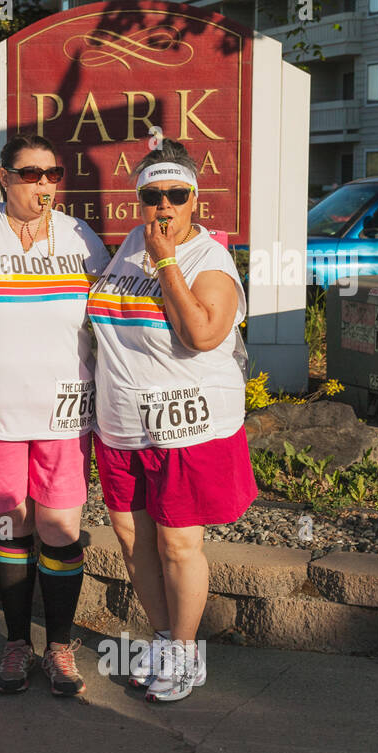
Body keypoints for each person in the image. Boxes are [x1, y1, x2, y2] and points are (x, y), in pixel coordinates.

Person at [88, 138, 256, 702]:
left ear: (194, 199)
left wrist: (166, 265)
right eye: (152, 195)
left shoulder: (208, 260)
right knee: (133, 540)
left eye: (175, 195)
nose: (163, 206)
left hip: (187, 426)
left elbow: (202, 334)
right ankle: (163, 640)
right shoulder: (129, 244)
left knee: (179, 544)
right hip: (123, 424)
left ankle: (186, 654)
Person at [0, 134, 110, 697]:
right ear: (3, 176)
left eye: (52, 174)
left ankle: (60, 646)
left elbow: (114, 307)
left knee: (60, 527)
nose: (43, 184)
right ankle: (17, 643)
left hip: (67, 408)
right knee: (12, 522)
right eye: (30, 173)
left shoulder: (79, 235)